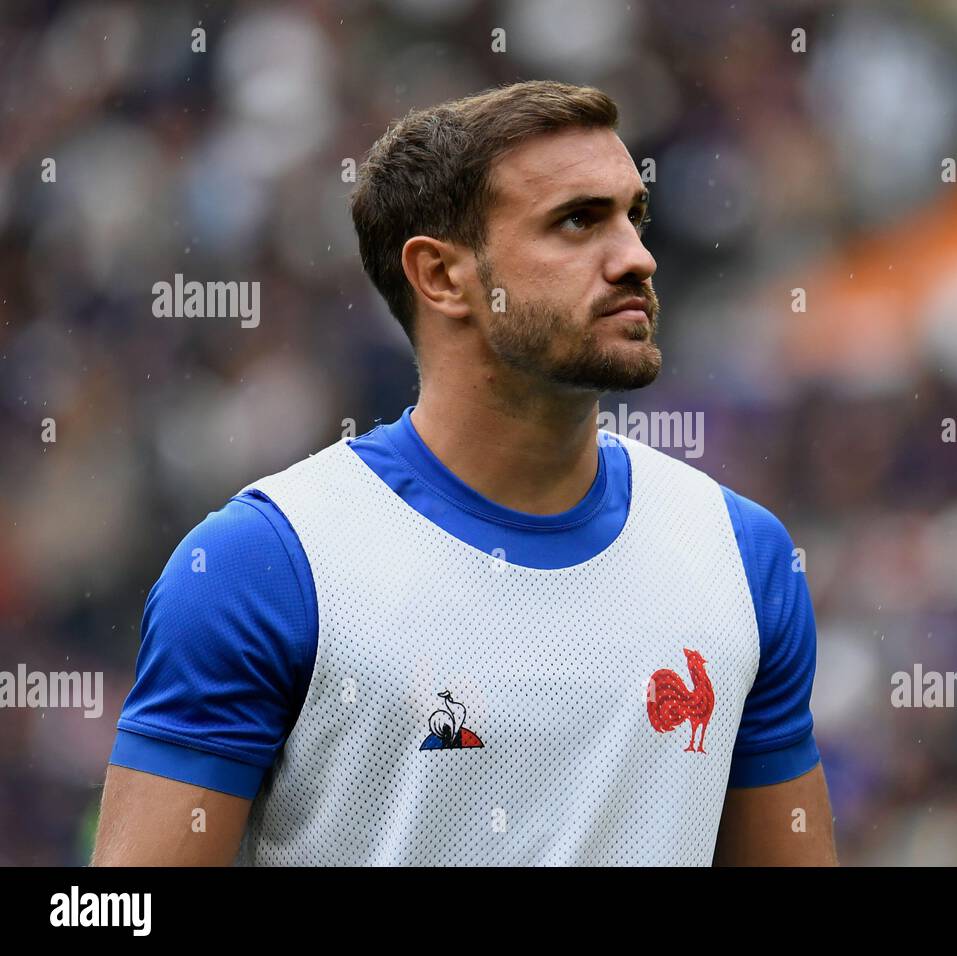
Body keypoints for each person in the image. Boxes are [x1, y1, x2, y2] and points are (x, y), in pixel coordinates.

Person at [92, 80, 836, 866]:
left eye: (633, 216)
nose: (637, 258)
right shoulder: (265, 568)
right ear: (442, 277)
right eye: (578, 222)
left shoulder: (742, 558)